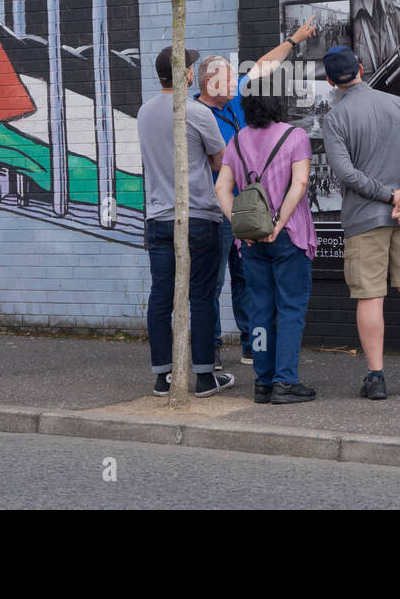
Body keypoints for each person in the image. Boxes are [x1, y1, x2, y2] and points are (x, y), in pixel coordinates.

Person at [196, 21, 317, 368]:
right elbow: (215, 164)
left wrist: (294, 40)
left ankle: (253, 346)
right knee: (213, 282)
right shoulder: (198, 115)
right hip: (223, 211)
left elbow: (265, 66)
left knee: (248, 285)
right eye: (229, 78)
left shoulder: (235, 98)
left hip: (255, 211)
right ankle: (214, 349)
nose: (236, 83)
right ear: (209, 82)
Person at [320, 46, 400, 401]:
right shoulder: (399, 105)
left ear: (330, 80)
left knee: (370, 296)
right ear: (361, 68)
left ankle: (376, 378)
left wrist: (388, 197)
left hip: (364, 218)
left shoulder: (336, 118)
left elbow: (345, 173)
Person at [136, 46, 235, 398]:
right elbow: (220, 163)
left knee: (161, 296)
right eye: (190, 66)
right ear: (188, 74)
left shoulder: (144, 113)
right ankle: (206, 376)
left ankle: (162, 376)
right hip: (199, 216)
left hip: (158, 217)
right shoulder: (197, 112)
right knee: (203, 297)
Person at [215, 74, 317, 404]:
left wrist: (243, 226)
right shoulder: (295, 136)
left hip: (251, 241)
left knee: (259, 308)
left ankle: (263, 382)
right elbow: (299, 185)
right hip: (288, 236)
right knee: (289, 309)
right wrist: (277, 223)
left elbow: (221, 189)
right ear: (277, 101)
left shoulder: (237, 141)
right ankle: (286, 382)